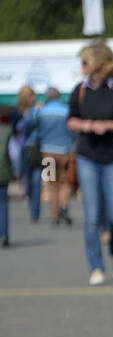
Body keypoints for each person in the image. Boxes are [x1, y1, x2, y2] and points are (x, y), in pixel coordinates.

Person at [66, 43, 113, 285]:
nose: (82, 67)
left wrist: (108, 125)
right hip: (88, 156)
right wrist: (86, 125)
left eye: (85, 62)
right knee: (92, 216)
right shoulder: (80, 90)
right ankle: (96, 266)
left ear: (99, 63)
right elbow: (70, 121)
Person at [35, 88, 75, 225]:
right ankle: (64, 206)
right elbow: (73, 132)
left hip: (47, 152)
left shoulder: (41, 112)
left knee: (51, 184)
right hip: (65, 151)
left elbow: (36, 132)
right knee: (66, 181)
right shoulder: (67, 111)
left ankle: (55, 215)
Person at [14, 86, 42, 222]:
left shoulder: (37, 111)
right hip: (24, 150)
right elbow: (14, 130)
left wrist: (37, 112)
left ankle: (35, 210)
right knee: (28, 181)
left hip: (37, 149)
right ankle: (31, 204)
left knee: (37, 180)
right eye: (31, 96)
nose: (34, 99)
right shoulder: (18, 113)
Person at [0, 115, 12, 247]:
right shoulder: (7, 130)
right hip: (3, 169)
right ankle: (4, 234)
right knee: (3, 203)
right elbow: (13, 153)